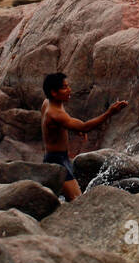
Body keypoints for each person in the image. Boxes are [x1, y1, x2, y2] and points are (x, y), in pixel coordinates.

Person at [40, 72, 128, 201]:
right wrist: (110, 113)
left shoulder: (49, 102)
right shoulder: (54, 113)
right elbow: (85, 126)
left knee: (67, 199)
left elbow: (59, 124)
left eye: (68, 85)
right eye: (64, 87)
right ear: (54, 92)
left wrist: (72, 128)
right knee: (78, 201)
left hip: (62, 158)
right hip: (56, 161)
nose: (69, 89)